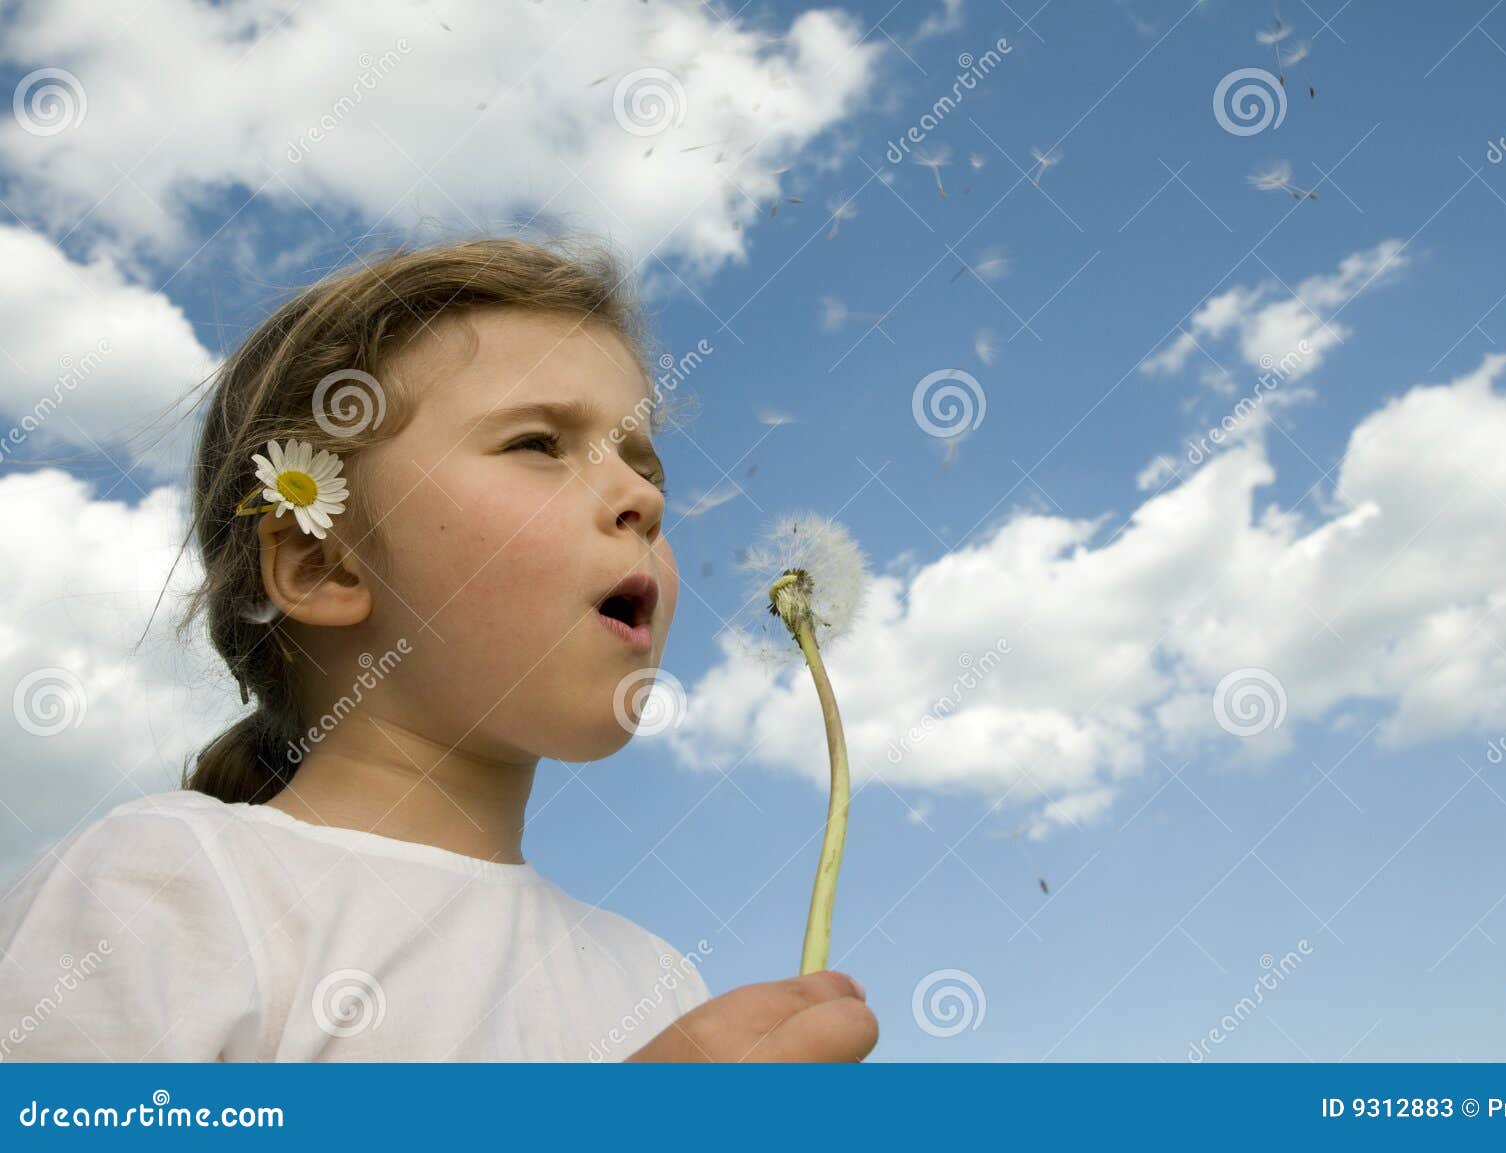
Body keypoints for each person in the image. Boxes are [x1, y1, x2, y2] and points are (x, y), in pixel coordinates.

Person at [0, 236, 877, 1063]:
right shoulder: (161, 888)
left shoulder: (659, 983)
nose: (642, 500)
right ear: (322, 565)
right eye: (539, 443)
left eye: (646, 467)